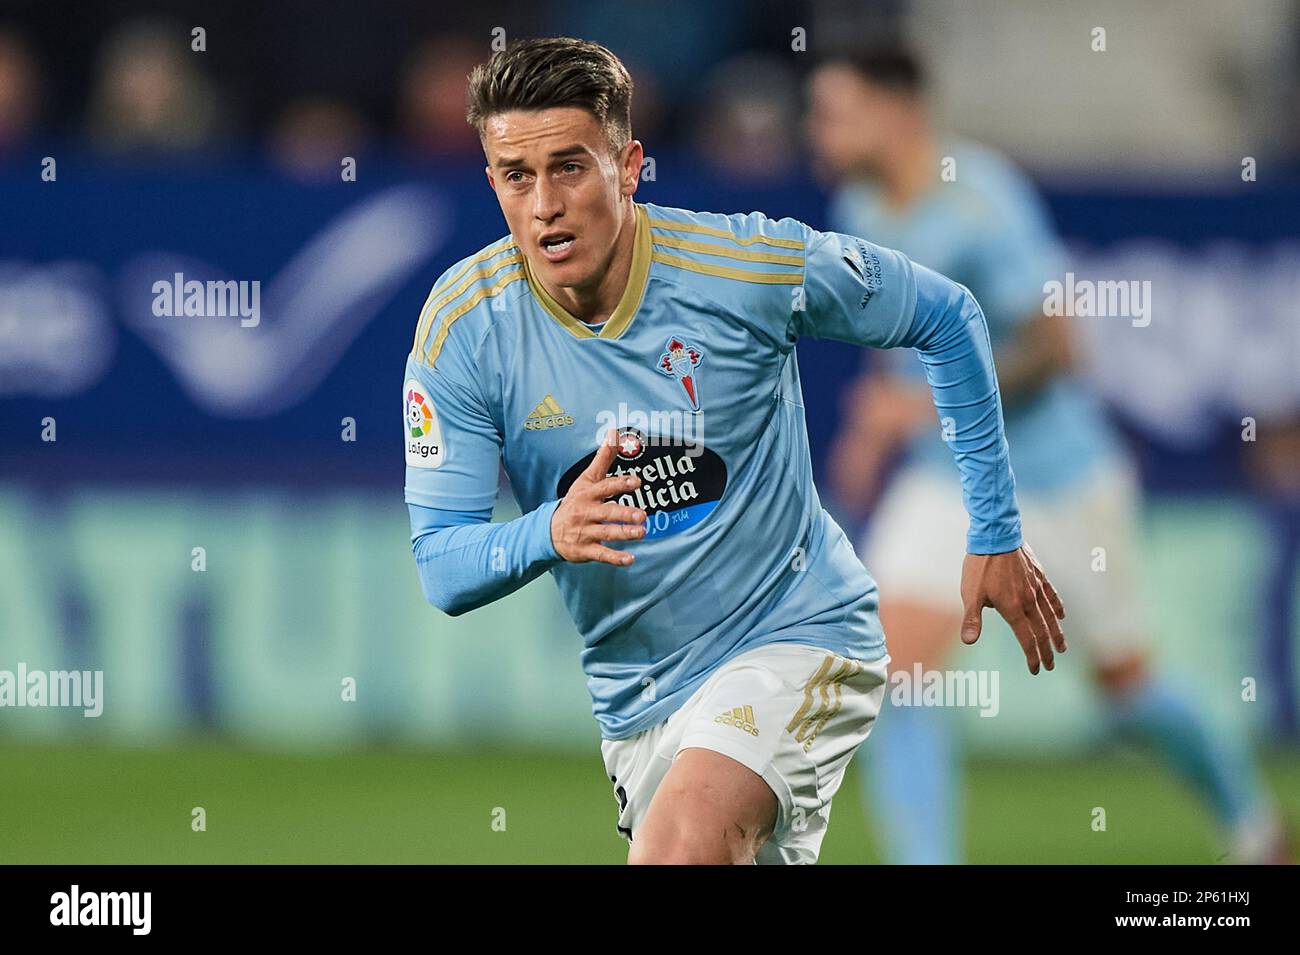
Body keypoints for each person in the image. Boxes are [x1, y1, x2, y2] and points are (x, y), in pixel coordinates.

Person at [404, 36, 1065, 865]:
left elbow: (948, 315)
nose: (543, 205)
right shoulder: (464, 328)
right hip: (637, 703)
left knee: (682, 844)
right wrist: (549, 531)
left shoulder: (744, 266)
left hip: (796, 630)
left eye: (570, 167)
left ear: (630, 164)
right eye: (515, 175)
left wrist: (993, 528)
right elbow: (442, 563)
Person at [808, 46, 1288, 864]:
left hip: (1058, 478)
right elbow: (896, 348)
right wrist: (871, 429)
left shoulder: (981, 201)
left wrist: (920, 407)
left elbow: (1060, 350)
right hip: (946, 477)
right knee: (895, 667)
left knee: (1126, 692)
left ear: (899, 112)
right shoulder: (858, 206)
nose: (819, 131)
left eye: (837, 112)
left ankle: (1251, 825)